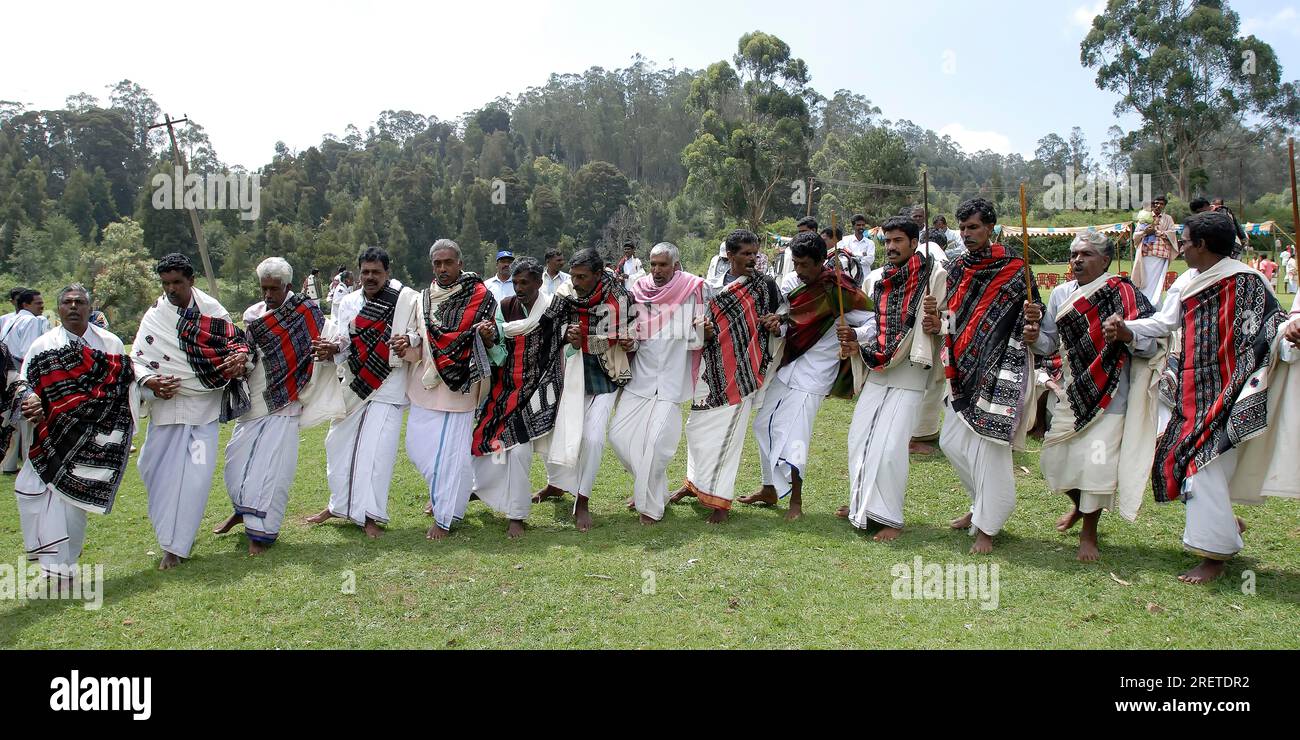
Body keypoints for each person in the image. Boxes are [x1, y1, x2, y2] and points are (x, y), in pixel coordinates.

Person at [1110, 210, 1299, 583]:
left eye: (1184, 241)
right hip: (1191, 389)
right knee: (1174, 455)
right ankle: (1224, 522)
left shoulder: (1250, 281)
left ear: (1202, 245)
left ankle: (1214, 554)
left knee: (1203, 468)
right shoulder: (1187, 280)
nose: (1178, 247)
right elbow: (1165, 322)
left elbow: (1274, 329)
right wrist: (1127, 328)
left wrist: (1291, 333)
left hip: (1235, 389)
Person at [1024, 232, 1160, 561]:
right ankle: (1078, 506)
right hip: (1072, 392)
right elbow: (1049, 344)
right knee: (1053, 461)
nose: (1077, 260)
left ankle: (1089, 533)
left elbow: (1152, 343)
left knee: (1096, 469)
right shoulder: (1060, 294)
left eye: (1086, 254)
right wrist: (1032, 337)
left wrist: (1128, 334)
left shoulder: (1126, 293)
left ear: (1105, 261)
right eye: (1074, 254)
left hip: (1112, 395)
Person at [925, 198, 1037, 554]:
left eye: (974, 227)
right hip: (961, 365)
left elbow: (1035, 321)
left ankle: (988, 527)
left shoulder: (1017, 268)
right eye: (963, 228)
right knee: (951, 444)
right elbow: (955, 317)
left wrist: (1032, 320)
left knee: (989, 450)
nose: (967, 233)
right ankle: (979, 507)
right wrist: (936, 321)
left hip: (1001, 368)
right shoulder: (957, 267)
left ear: (991, 227)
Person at [740, 231, 871, 520]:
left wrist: (855, 333)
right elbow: (796, 323)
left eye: (804, 265)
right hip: (788, 368)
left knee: (795, 437)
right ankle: (769, 487)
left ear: (821, 261)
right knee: (763, 425)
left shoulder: (840, 289)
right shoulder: (799, 289)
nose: (798, 271)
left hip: (814, 376)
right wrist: (779, 325)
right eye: (795, 264)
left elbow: (874, 319)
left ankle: (796, 502)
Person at [133, 253, 251, 570]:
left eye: (177, 283)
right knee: (153, 470)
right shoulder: (156, 316)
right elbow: (138, 360)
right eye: (166, 283)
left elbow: (238, 345)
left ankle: (176, 546)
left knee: (195, 478)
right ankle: (170, 535)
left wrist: (238, 360)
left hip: (203, 412)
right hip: (167, 410)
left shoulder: (212, 310)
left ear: (191, 281)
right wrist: (151, 382)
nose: (171, 289)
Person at [14, 284, 138, 582]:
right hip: (50, 435)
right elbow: (23, 383)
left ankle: (61, 569)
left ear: (89, 306)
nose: (73, 307)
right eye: (68, 302)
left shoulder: (109, 343)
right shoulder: (43, 346)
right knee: (30, 493)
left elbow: (123, 384)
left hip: (90, 439)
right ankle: (54, 565)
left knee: (72, 505)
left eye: (79, 302)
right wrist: (29, 398)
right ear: (59, 309)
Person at [834, 217, 948, 540]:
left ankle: (890, 518)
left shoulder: (935, 277)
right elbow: (874, 324)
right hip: (878, 366)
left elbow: (952, 318)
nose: (892, 247)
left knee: (890, 447)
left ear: (914, 243)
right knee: (859, 437)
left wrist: (937, 320)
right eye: (888, 241)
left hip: (911, 369)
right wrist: (855, 335)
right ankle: (860, 504)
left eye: (899, 240)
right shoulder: (877, 279)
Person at [216, 257, 336, 554]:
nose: (268, 295)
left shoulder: (305, 311)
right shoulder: (253, 315)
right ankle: (243, 510)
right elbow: (247, 353)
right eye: (264, 288)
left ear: (289, 287)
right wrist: (238, 364)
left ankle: (262, 532)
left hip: (286, 401)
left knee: (271, 470)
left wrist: (331, 350)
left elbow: (328, 339)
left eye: (274, 289)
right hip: (254, 398)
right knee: (235, 462)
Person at [669, 229, 783, 523]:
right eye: (745, 254)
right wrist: (699, 329)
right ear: (729, 255)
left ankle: (720, 500)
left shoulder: (765, 286)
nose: (752, 259)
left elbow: (784, 317)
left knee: (727, 439)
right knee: (696, 430)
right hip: (708, 369)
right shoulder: (709, 286)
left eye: (755, 254)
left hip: (741, 373)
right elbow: (690, 322)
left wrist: (776, 323)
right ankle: (694, 483)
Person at [308, 246, 421, 539]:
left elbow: (417, 333)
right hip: (355, 384)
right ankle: (338, 505)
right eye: (365, 272)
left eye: (376, 272)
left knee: (376, 455)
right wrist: (333, 347)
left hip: (388, 385)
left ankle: (369, 514)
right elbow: (343, 338)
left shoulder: (404, 300)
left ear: (388, 273)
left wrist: (406, 340)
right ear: (359, 273)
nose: (370, 277)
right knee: (337, 445)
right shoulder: (347, 302)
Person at [397, 240, 498, 540]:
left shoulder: (480, 295)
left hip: (461, 387)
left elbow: (492, 342)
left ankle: (445, 517)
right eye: (437, 263)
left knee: (450, 456)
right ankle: (452, 497)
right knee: (417, 448)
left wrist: (488, 336)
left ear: (459, 263)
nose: (443, 268)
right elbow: (420, 340)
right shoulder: (423, 299)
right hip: (426, 384)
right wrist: (409, 345)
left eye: (448, 262)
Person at [534, 248, 634, 532]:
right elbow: (546, 327)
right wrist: (566, 335)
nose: (576, 282)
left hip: (606, 375)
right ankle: (556, 484)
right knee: (553, 431)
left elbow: (631, 331)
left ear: (599, 274)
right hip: (568, 374)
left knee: (591, 439)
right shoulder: (565, 292)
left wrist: (629, 342)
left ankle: (582, 499)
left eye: (583, 277)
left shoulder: (620, 297)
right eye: (574, 276)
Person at [471, 257, 569, 538]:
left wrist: (572, 340)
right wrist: (490, 341)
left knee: (520, 450)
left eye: (524, 282)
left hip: (540, 391)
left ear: (540, 282)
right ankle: (481, 490)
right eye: (514, 282)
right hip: (505, 392)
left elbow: (565, 347)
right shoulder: (505, 307)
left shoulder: (554, 308)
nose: (518, 288)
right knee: (482, 441)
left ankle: (516, 515)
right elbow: (500, 354)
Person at [608, 242, 705, 524]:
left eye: (663, 264)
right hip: (641, 377)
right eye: (653, 264)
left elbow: (698, 337)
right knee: (618, 436)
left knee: (656, 443)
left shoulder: (692, 289)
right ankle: (651, 487)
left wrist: (699, 329)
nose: (657, 270)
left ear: (676, 264)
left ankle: (649, 506)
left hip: (671, 381)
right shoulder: (638, 290)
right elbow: (632, 330)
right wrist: (629, 339)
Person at [0, 288, 51, 474]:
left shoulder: (9, 319)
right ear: (26, 304)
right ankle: (31, 463)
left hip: (5, 373)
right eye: (38, 303)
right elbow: (29, 351)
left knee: (10, 420)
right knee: (28, 419)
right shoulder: (31, 320)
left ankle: (9, 464)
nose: (42, 306)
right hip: (19, 373)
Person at [1131, 195, 1177, 303]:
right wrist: (1145, 232)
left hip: (1161, 254)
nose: (1158, 205)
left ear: (1164, 206)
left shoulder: (1168, 219)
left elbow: (1172, 234)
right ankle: (1142, 303)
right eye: (1156, 203)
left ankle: (1155, 304)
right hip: (1146, 253)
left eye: (1161, 204)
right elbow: (1135, 235)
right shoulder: (1144, 217)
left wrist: (1157, 232)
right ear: (1152, 204)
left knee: (1157, 281)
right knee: (1144, 279)